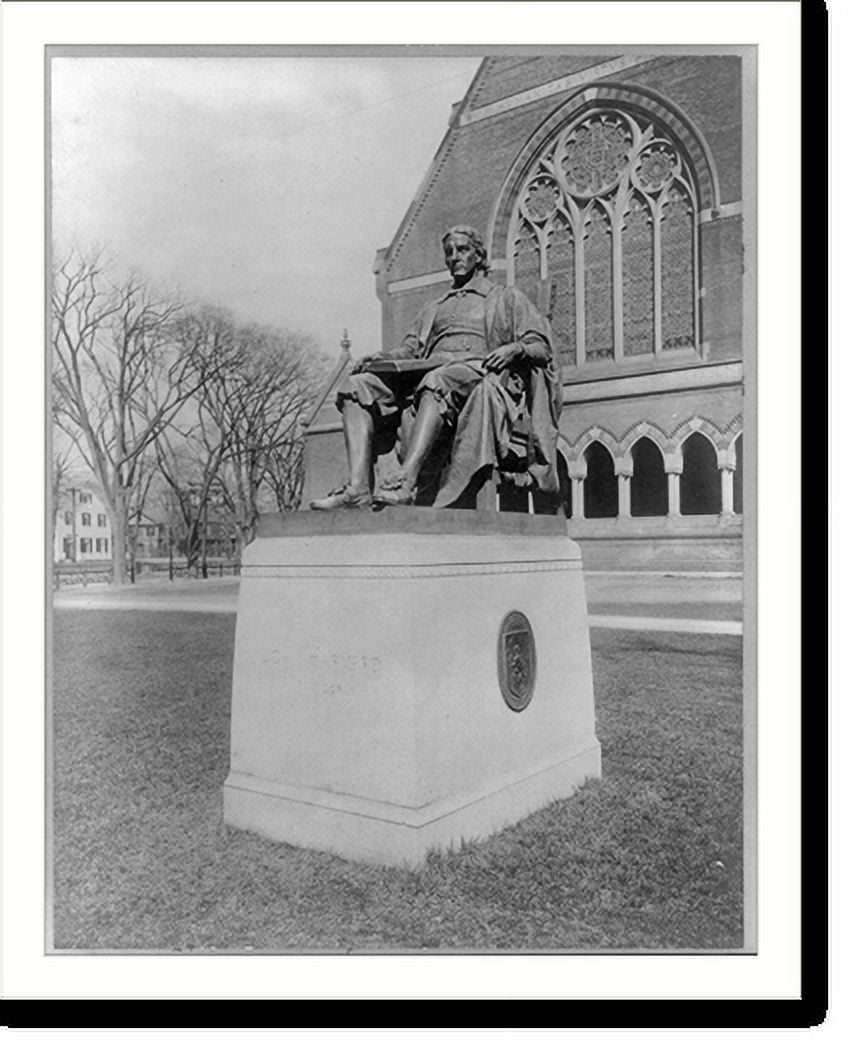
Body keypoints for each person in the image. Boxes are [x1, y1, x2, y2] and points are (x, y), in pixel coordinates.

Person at [310, 225, 561, 510]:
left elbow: (542, 348)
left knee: (438, 380)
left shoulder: (505, 297)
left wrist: (514, 348)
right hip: (427, 372)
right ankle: (358, 488)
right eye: (449, 252)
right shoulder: (434, 307)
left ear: (479, 256)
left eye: (463, 250)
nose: (454, 257)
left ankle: (406, 481)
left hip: (478, 374)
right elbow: (409, 350)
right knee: (355, 386)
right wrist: (380, 358)